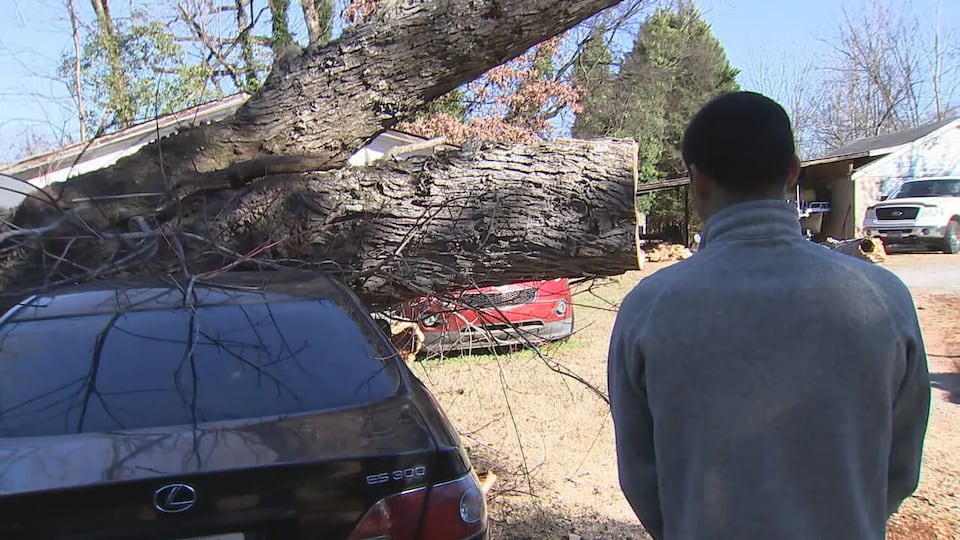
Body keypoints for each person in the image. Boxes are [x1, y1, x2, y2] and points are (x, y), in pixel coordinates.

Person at [607, 91, 930, 540]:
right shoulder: (882, 298)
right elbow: (900, 467)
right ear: (793, 172)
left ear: (697, 180)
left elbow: (641, 477)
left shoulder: (649, 308)